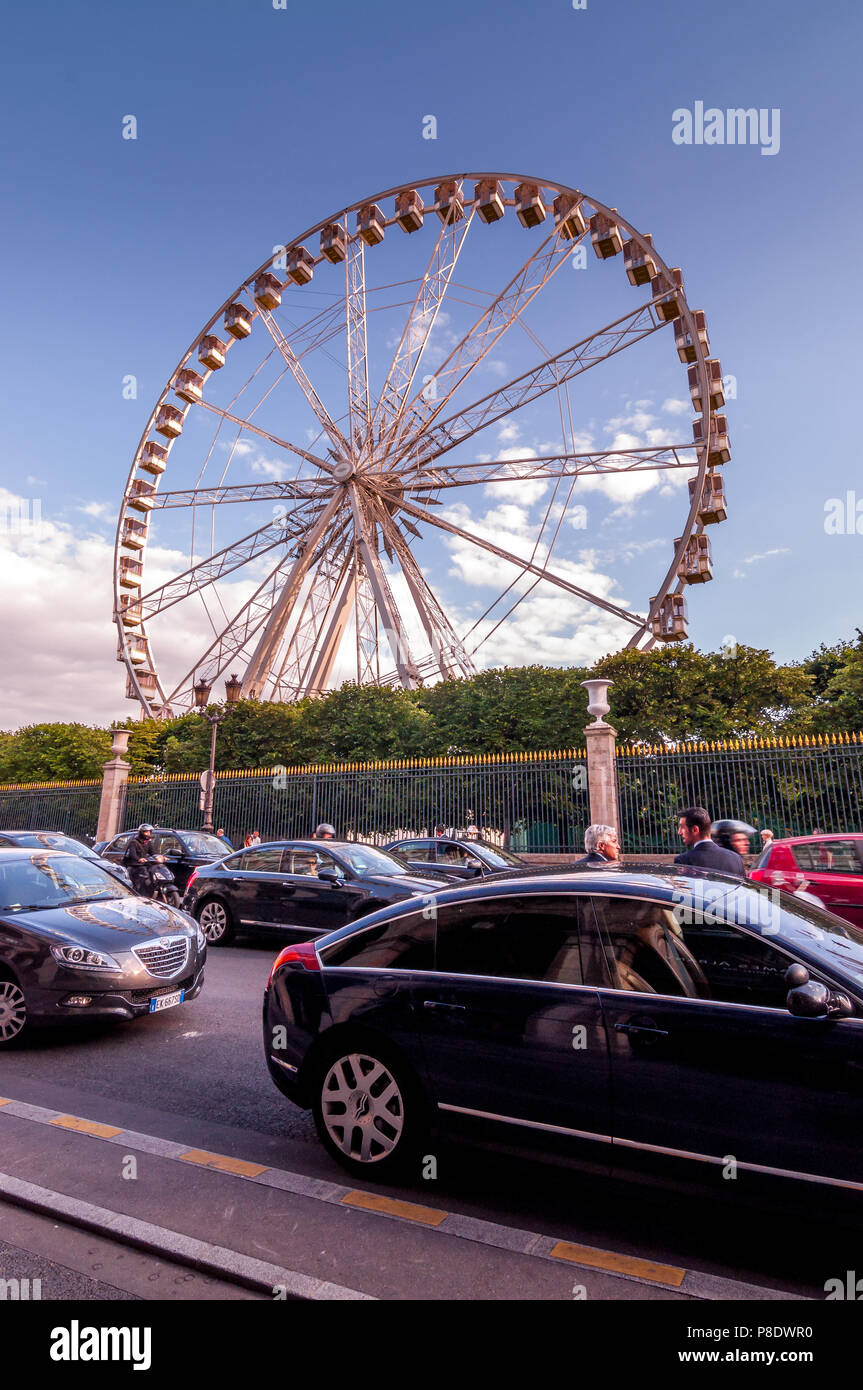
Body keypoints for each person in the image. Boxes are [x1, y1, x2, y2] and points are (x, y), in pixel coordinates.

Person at [675, 807, 746, 877]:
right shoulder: (736, 858)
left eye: (682, 827)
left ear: (695, 830)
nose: (679, 832)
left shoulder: (683, 861)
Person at [123, 824, 166, 895]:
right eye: (146, 832)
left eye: (149, 832)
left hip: (144, 864)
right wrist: (139, 859)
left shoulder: (148, 843)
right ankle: (140, 893)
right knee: (142, 877)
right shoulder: (134, 842)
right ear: (141, 832)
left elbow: (153, 852)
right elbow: (132, 854)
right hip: (134, 865)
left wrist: (160, 857)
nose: (148, 834)